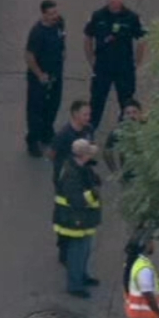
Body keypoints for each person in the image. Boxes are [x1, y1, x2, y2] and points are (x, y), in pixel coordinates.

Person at [84, 0, 148, 127]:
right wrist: (91, 60)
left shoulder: (131, 17)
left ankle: (126, 136)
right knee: (96, 102)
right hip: (102, 66)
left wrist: (137, 62)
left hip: (124, 68)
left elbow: (142, 39)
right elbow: (88, 37)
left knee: (127, 104)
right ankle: (89, 134)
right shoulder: (98, 15)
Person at [54, 140, 103, 298]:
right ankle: (75, 285)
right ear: (83, 155)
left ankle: (83, 276)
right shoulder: (71, 174)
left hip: (83, 219)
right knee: (77, 253)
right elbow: (76, 200)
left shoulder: (80, 167)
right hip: (74, 220)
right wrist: (93, 193)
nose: (91, 156)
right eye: (89, 153)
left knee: (85, 250)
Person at [24, 0, 66, 157]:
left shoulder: (60, 23)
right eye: (51, 14)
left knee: (53, 105)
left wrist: (63, 55)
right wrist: (40, 74)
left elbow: (62, 40)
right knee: (36, 110)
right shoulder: (37, 32)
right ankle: (33, 141)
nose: (55, 15)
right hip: (40, 77)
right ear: (43, 15)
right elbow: (29, 56)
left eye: (56, 12)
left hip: (56, 74)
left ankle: (47, 133)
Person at [49, 99, 94, 186]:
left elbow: (91, 145)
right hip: (66, 177)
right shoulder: (63, 135)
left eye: (89, 114)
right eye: (85, 115)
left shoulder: (89, 129)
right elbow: (52, 153)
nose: (88, 118)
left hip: (82, 173)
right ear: (75, 114)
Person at [103, 98, 145, 182]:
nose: (131, 116)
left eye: (134, 112)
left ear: (140, 114)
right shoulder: (119, 132)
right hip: (128, 178)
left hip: (148, 176)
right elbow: (107, 151)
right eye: (128, 113)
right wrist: (115, 172)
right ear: (123, 116)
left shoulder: (148, 129)